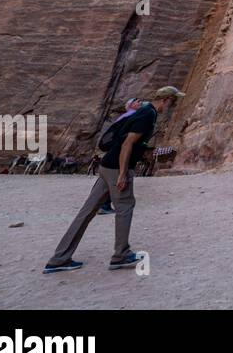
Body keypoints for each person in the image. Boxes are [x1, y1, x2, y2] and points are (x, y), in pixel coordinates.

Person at [43, 86, 184, 274]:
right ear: (166, 100)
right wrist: (123, 173)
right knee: (125, 207)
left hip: (106, 165)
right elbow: (127, 144)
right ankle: (121, 255)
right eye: (173, 101)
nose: (173, 105)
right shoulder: (148, 114)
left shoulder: (143, 111)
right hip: (116, 167)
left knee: (87, 211)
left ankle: (59, 258)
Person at [98, 98, 144, 215]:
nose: (140, 103)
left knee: (109, 180)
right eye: (137, 101)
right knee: (116, 178)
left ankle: (103, 204)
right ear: (131, 105)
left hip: (115, 152)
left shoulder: (123, 117)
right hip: (120, 152)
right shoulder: (132, 116)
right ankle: (105, 205)